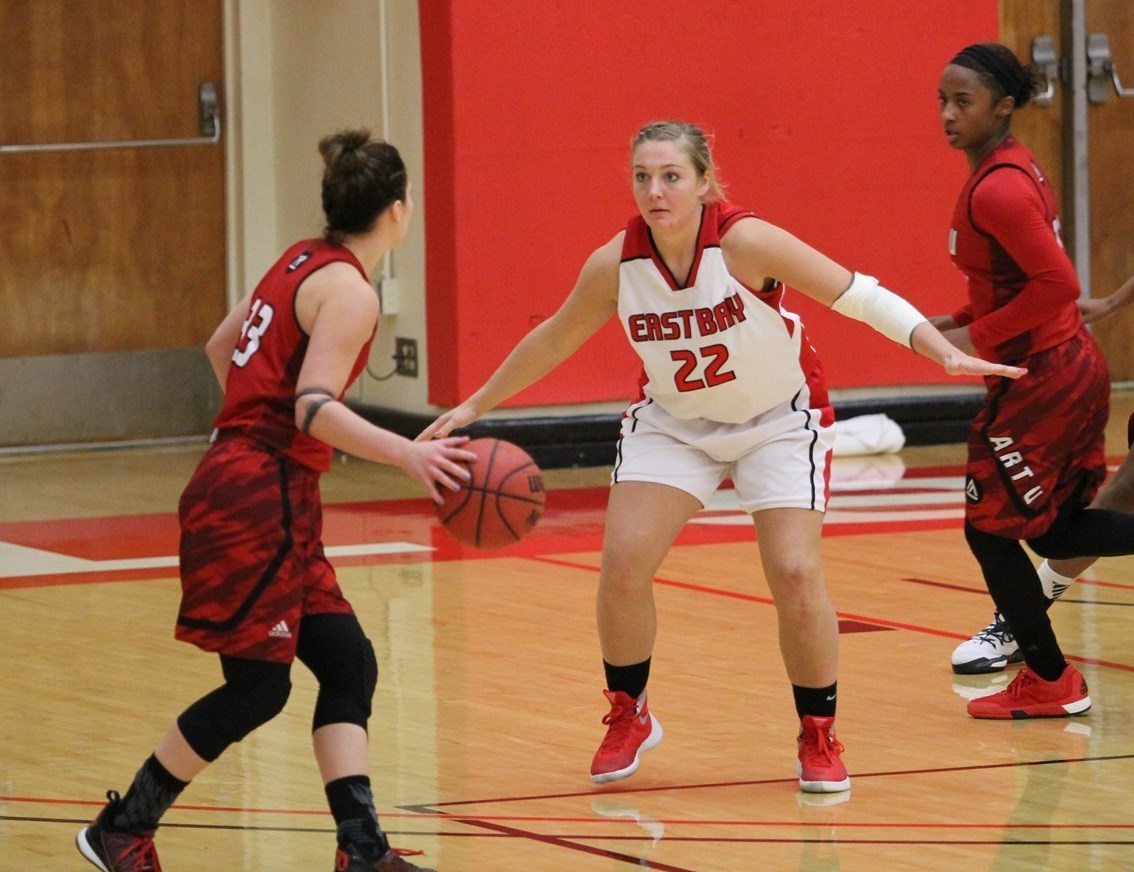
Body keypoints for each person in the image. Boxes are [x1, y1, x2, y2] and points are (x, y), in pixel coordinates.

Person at [416, 119, 1025, 792]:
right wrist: (475, 405)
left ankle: (818, 734)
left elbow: (855, 292)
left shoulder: (744, 242)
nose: (656, 191)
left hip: (778, 420)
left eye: (671, 176)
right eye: (643, 177)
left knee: (794, 573)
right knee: (621, 565)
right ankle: (629, 713)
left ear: (705, 182)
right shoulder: (616, 263)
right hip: (676, 424)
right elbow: (555, 338)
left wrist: (935, 347)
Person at [76, 130, 471, 872]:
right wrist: (410, 453)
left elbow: (221, 347)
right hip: (258, 493)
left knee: (348, 662)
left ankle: (362, 851)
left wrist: (253, 428)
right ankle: (121, 827)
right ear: (399, 209)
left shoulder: (300, 259)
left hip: (264, 486)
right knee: (259, 689)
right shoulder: (350, 291)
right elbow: (314, 408)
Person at [931, 43, 1134, 718]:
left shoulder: (1003, 181)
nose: (948, 115)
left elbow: (1053, 283)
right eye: (943, 102)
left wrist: (970, 339)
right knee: (1098, 501)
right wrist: (1116, 300)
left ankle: (1047, 669)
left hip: (1044, 375)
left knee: (996, 528)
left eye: (963, 101)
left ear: (1004, 107)